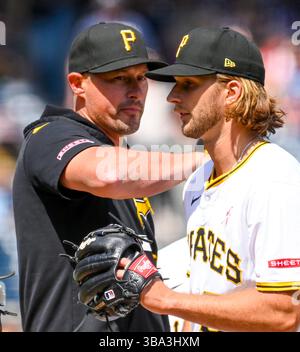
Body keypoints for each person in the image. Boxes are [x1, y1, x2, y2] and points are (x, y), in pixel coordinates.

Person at [12, 22, 204, 332]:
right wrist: (205, 162)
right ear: (77, 83)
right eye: (119, 78)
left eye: (141, 77)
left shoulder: (128, 159)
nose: (135, 90)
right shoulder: (50, 135)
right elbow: (107, 172)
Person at [118, 27, 300, 332]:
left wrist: (164, 300)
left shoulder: (275, 179)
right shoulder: (199, 179)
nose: (173, 97)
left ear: (231, 93)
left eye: (188, 85)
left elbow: (286, 311)